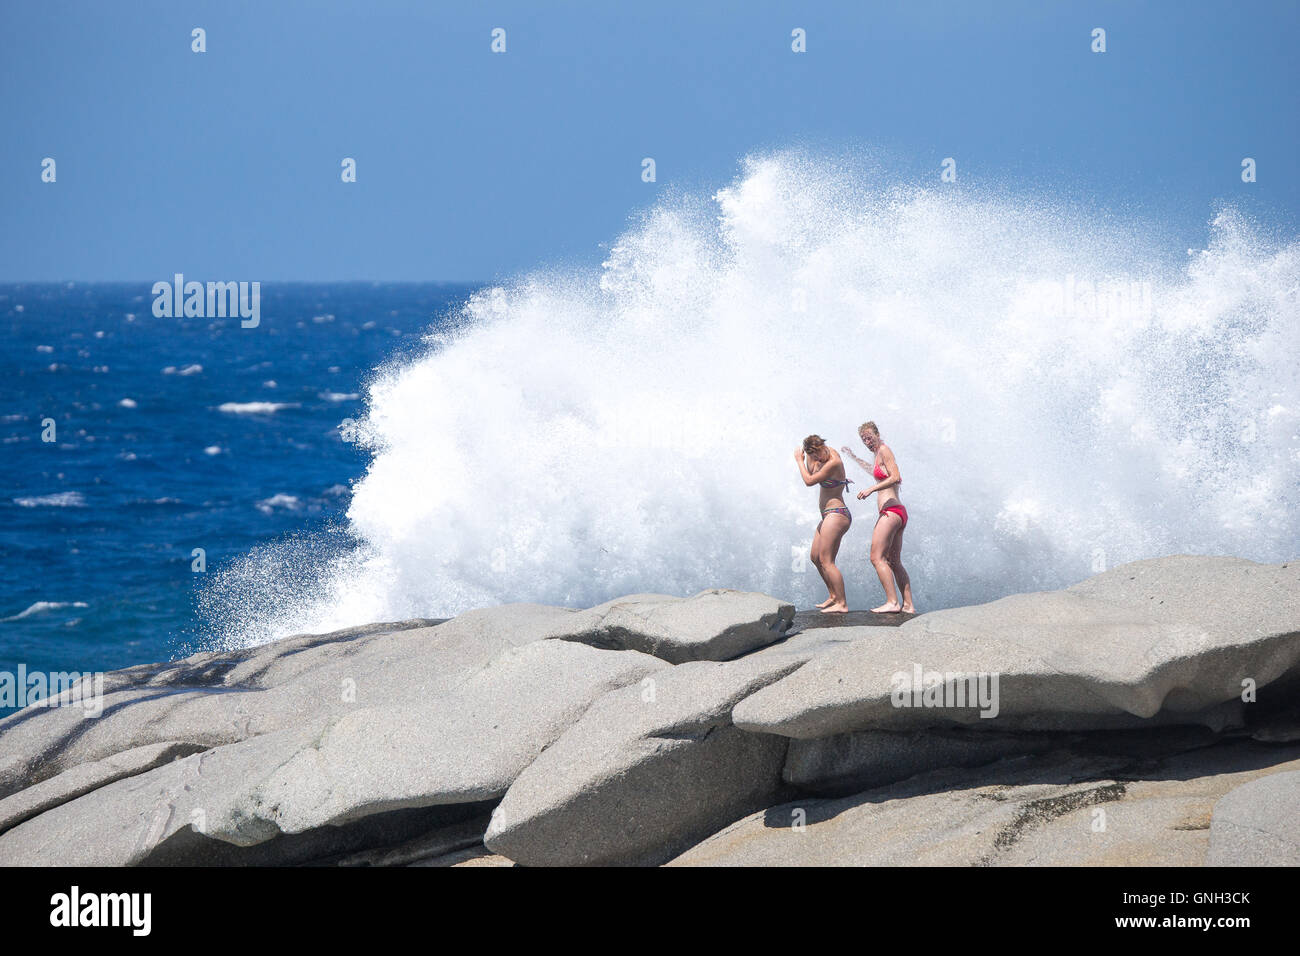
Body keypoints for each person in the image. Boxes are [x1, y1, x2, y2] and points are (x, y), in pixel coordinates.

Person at [841, 421, 915, 613]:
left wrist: (871, 489)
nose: (866, 441)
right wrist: (854, 457)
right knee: (894, 561)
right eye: (863, 439)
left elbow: (895, 476)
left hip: (890, 512)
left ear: (877, 434)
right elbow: (875, 471)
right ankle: (908, 605)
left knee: (876, 557)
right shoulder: (878, 454)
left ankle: (892, 602)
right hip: (897, 512)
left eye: (869, 437)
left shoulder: (884, 450)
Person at [794, 435, 852, 613]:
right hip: (827, 516)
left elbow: (809, 481)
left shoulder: (834, 461)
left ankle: (842, 604)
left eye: (819, 453)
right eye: (814, 455)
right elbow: (813, 470)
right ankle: (833, 596)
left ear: (823, 445)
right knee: (815, 557)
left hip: (837, 514)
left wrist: (799, 460)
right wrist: (810, 457)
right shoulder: (818, 457)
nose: (818, 458)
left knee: (827, 561)